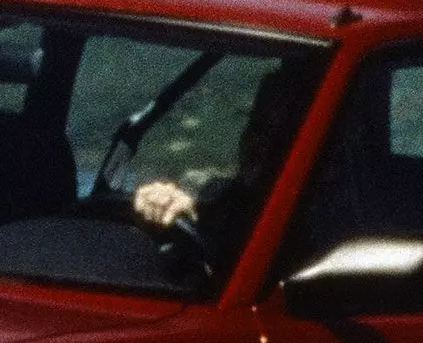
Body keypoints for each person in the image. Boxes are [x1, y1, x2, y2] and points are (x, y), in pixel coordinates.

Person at [129, 59, 319, 269]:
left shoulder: (314, 225)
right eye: (257, 127)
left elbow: (246, 262)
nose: (260, 146)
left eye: (280, 136)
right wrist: (166, 208)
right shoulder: (226, 197)